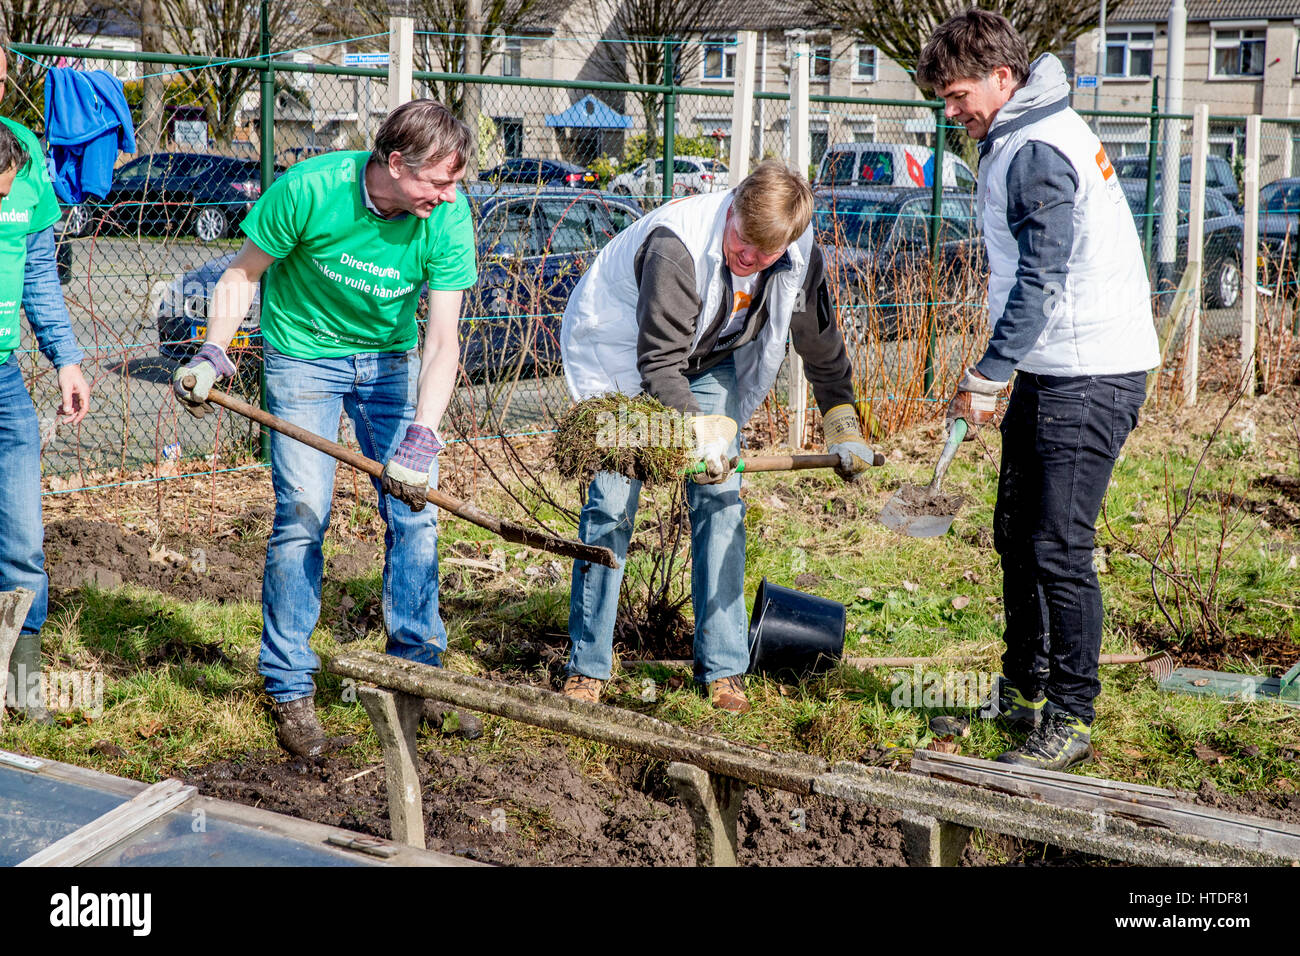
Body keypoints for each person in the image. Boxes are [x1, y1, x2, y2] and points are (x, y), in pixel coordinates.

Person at [171, 99, 481, 755]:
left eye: (455, 181)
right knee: (304, 513)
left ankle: (415, 674)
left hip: (390, 365)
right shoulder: (310, 190)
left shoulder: (448, 217)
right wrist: (214, 352)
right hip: (303, 358)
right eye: (439, 180)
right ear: (396, 163)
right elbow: (241, 273)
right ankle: (289, 685)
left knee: (415, 511)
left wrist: (423, 436)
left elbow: (445, 337)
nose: (451, 194)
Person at [917, 11, 1159, 770]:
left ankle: (1070, 716)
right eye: (944, 100)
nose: (951, 111)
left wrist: (988, 374)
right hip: (1055, 367)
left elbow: (1043, 282)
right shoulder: (1024, 133)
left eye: (957, 95)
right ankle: (1023, 687)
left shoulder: (1038, 150)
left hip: (1088, 370)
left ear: (1002, 76)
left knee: (1057, 546)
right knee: (1015, 533)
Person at [560, 160, 876, 713]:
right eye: (742, 242)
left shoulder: (798, 259)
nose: (748, 259)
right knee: (613, 498)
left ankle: (723, 667)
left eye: (764, 254)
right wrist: (699, 434)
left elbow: (820, 344)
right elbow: (658, 364)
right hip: (622, 357)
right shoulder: (674, 247)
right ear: (732, 208)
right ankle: (588, 666)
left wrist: (842, 420)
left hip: (707, 358)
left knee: (721, 495)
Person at [0, 41, 93, 721]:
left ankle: (20, 675)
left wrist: (65, 358)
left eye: (1, 69)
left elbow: (37, 274)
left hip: (4, 378)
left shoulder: (23, 154)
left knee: (22, 529)